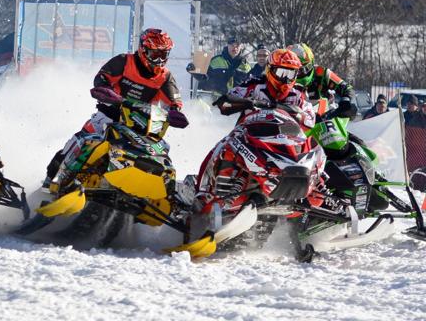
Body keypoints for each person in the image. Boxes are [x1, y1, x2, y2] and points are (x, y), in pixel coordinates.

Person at [44, 28, 188, 188]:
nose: (160, 60)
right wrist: (105, 90)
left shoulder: (165, 76)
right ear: (143, 50)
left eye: (164, 55)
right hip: (109, 115)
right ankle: (52, 179)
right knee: (78, 141)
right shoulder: (124, 61)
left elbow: (175, 101)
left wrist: (175, 113)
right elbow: (101, 78)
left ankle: (157, 190)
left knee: (161, 150)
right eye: (155, 55)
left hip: (139, 125)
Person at [196, 48, 317, 211]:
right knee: (223, 146)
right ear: (270, 70)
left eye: (291, 74)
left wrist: (297, 113)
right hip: (249, 135)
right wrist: (242, 102)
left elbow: (310, 119)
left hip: (284, 141)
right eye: (282, 73)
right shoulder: (253, 85)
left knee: (314, 148)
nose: (286, 79)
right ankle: (202, 192)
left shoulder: (299, 94)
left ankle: (320, 195)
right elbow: (225, 102)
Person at [287, 43, 355, 120]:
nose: (303, 72)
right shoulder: (285, 78)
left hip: (326, 117)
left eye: (306, 68)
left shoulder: (322, 72)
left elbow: (346, 87)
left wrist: (346, 101)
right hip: (297, 119)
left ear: (312, 63)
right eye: (298, 70)